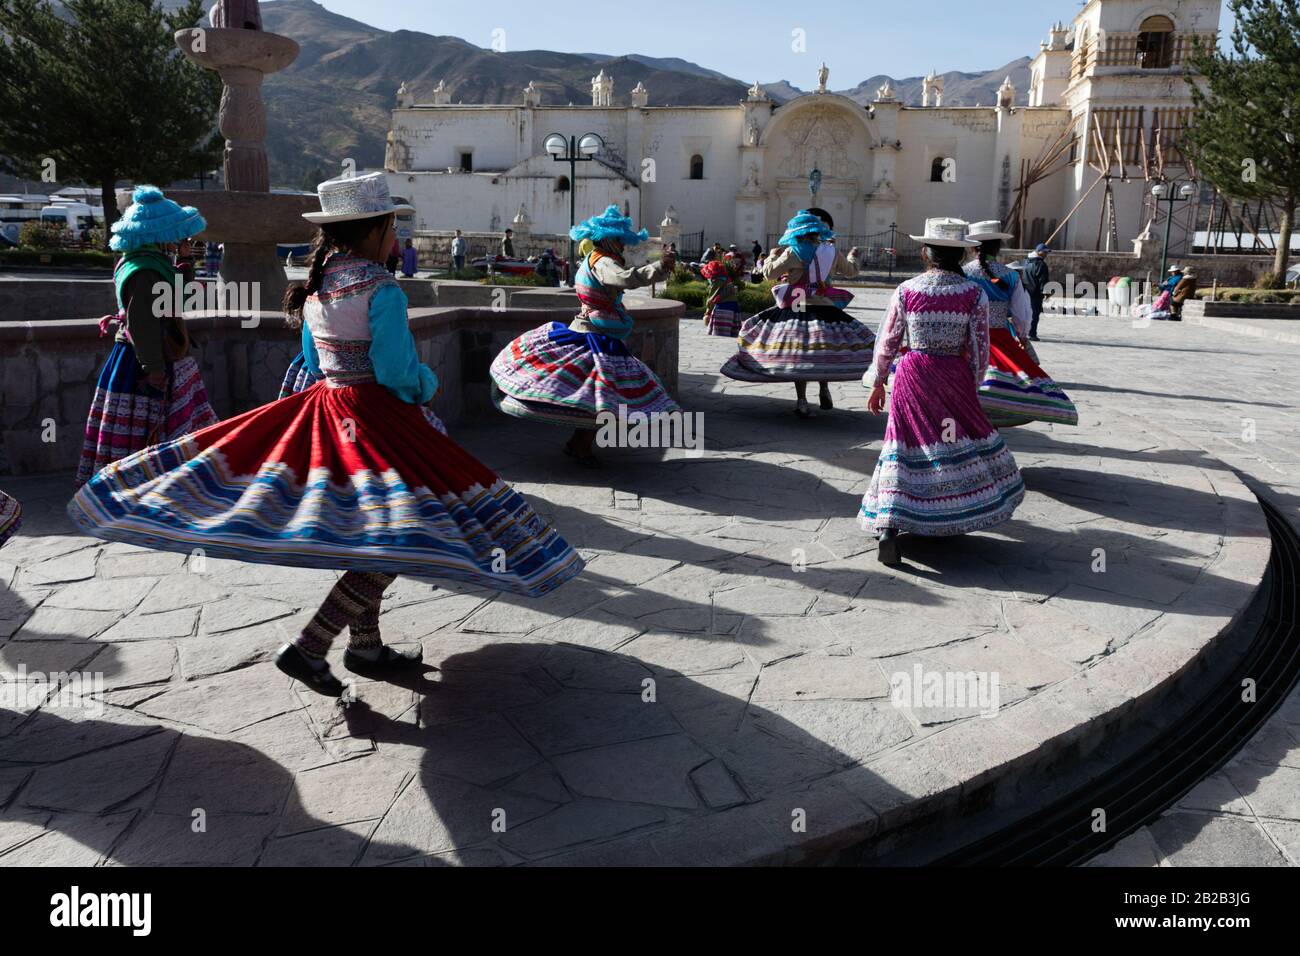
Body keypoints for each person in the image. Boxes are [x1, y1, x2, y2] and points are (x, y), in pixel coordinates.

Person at [68, 172, 584, 697]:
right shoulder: (381, 288)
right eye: (393, 228)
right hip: (379, 417)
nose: (397, 240)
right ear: (376, 229)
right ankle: (311, 644)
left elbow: (313, 361)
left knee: (375, 531)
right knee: (407, 534)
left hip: (329, 408)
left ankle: (364, 645)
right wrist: (426, 385)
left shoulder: (321, 282)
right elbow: (397, 372)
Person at [860, 218, 1025, 565]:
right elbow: (980, 346)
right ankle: (946, 511)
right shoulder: (972, 293)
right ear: (960, 252)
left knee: (901, 444)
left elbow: (888, 339)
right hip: (952, 373)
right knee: (949, 443)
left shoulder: (907, 289)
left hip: (912, 374)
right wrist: (973, 382)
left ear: (925, 252)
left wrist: (878, 382)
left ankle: (889, 527)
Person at [490, 205, 680, 468]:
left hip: (591, 329)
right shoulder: (604, 262)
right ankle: (581, 447)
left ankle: (578, 444)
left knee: (595, 396)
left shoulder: (590, 261)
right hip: (597, 336)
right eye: (620, 241)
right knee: (602, 397)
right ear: (608, 239)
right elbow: (624, 278)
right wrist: (658, 268)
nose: (623, 247)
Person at [76, 185, 219, 487]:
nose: (182, 240)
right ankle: (140, 486)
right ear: (160, 234)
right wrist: (153, 367)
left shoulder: (150, 264)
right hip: (142, 360)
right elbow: (143, 322)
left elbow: (180, 300)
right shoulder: (144, 270)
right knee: (146, 427)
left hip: (146, 356)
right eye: (177, 234)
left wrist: (184, 264)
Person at [720, 207, 873, 418]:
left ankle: (802, 401)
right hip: (825, 305)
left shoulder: (793, 251)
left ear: (797, 233)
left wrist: (771, 258)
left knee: (799, 355)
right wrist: (854, 257)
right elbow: (851, 272)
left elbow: (769, 274)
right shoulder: (831, 251)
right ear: (817, 232)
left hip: (798, 304)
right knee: (823, 349)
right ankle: (824, 388)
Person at [963, 221, 1078, 428]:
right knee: (1000, 384)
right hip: (999, 338)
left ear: (972, 246)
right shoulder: (1010, 275)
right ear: (998, 246)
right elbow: (1022, 314)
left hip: (967, 338)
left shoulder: (963, 274)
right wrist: (1022, 337)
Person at [701, 252, 742, 337]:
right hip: (734, 306)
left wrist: (707, 312)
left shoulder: (717, 281)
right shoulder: (726, 279)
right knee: (731, 335)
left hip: (723, 308)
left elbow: (711, 298)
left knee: (720, 336)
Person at [1022, 243, 1051, 340]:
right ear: (1039, 252)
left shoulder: (1026, 262)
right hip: (1036, 294)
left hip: (1025, 292)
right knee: (1034, 314)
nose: (1046, 254)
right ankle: (1032, 334)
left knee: (1026, 313)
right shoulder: (1041, 265)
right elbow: (1043, 280)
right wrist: (1046, 292)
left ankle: (1024, 332)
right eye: (1045, 252)